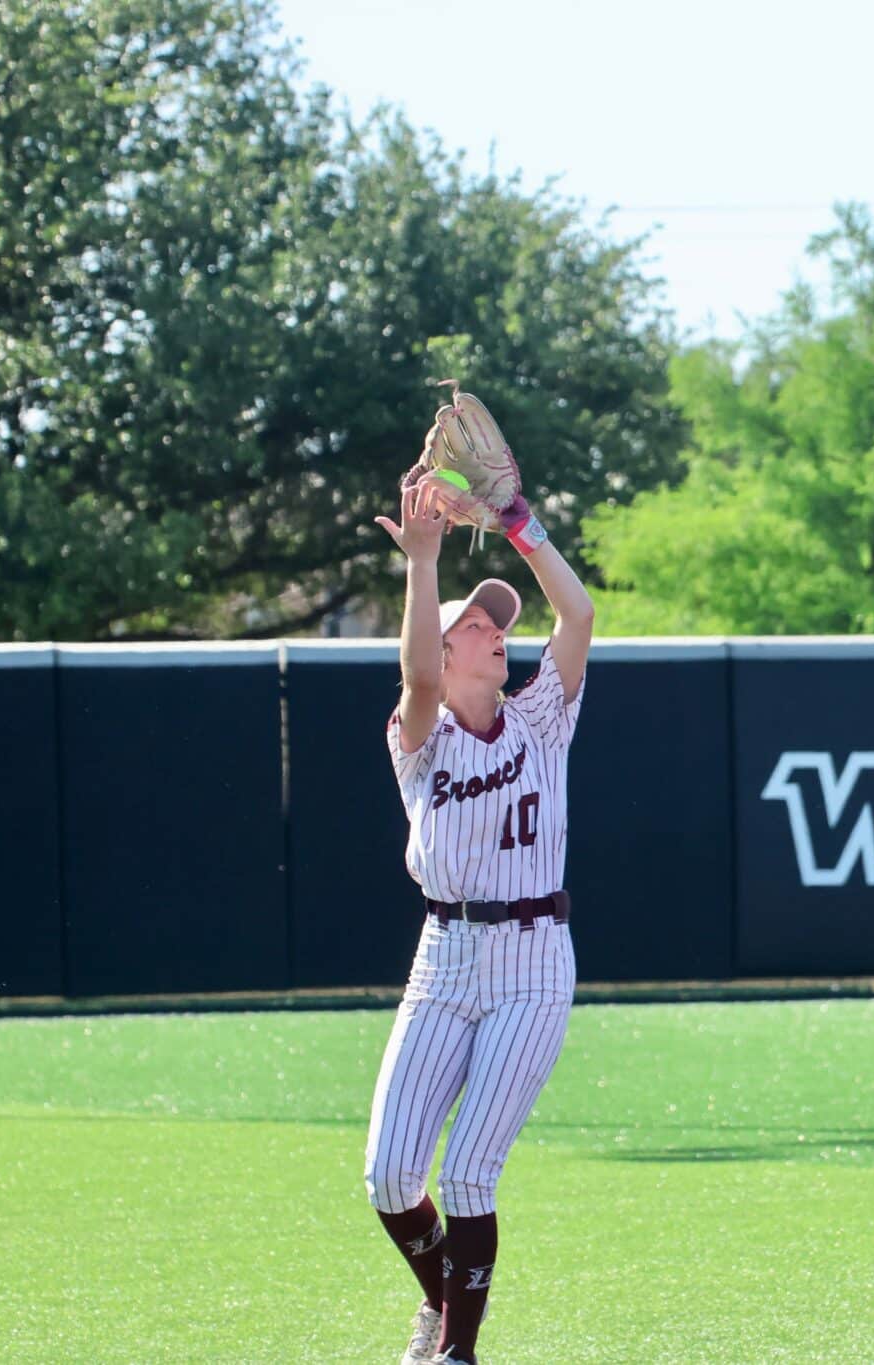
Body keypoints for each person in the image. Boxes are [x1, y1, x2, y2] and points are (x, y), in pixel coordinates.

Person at [364, 473, 595, 1365]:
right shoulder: (421, 734)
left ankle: (457, 1355)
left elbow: (573, 619)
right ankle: (442, 1306)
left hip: (534, 960)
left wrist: (517, 523)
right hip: (444, 959)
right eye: (477, 626)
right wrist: (423, 565)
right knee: (390, 1177)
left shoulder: (542, 718)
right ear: (447, 648)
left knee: (467, 1173)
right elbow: (417, 671)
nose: (496, 632)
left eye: (498, 625)